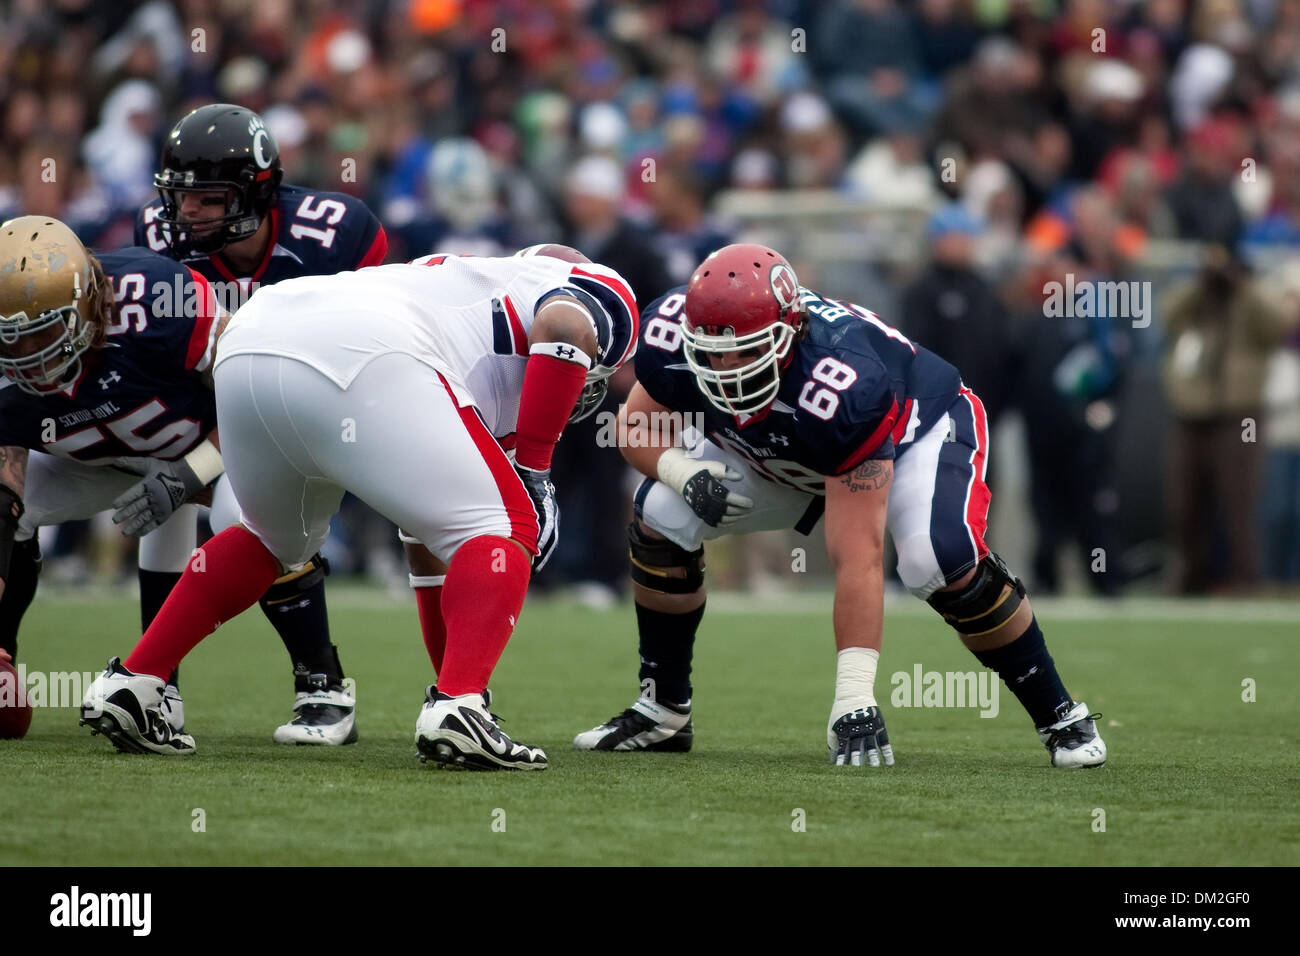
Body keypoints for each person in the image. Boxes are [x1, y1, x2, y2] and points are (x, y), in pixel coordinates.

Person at [80, 244, 639, 770]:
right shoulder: (590, 287)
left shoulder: (457, 296)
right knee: (512, 521)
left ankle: (137, 680)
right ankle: (460, 704)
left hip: (254, 336)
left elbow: (430, 545)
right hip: (368, 353)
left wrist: (456, 682)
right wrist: (537, 471)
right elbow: (565, 328)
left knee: (271, 537)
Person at [573, 244, 1106, 768]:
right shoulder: (671, 335)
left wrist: (854, 698)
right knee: (661, 513)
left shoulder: (844, 383)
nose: (725, 366)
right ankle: (664, 709)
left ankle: (1060, 715)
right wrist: (684, 474)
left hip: (912, 430)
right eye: (710, 349)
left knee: (936, 561)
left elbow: (860, 555)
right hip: (781, 445)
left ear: (792, 332)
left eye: (746, 348)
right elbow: (635, 424)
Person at [135, 103, 389, 745]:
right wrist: (185, 462)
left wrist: (196, 467)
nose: (186, 214)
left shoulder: (333, 236)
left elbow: (357, 357)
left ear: (256, 190)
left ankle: (322, 686)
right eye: (180, 198)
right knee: (159, 499)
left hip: (321, 411)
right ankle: (152, 685)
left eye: (208, 199)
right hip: (208, 411)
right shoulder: (163, 248)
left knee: (241, 517)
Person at [0, 216, 227, 739]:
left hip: (209, 450)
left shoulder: (157, 299)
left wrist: (186, 477)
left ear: (85, 305)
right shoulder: (14, 374)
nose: (28, 358)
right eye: (13, 340)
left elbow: (254, 400)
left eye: (46, 331)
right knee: (14, 508)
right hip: (100, 460)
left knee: (249, 519)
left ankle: (318, 685)